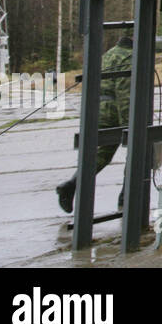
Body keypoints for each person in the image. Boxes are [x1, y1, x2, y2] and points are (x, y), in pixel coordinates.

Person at [55, 34, 133, 213]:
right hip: (114, 111)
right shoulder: (128, 57)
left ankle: (72, 184)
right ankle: (126, 197)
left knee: (103, 154)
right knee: (136, 152)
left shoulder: (108, 54)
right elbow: (125, 93)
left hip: (98, 109)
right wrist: (129, 125)